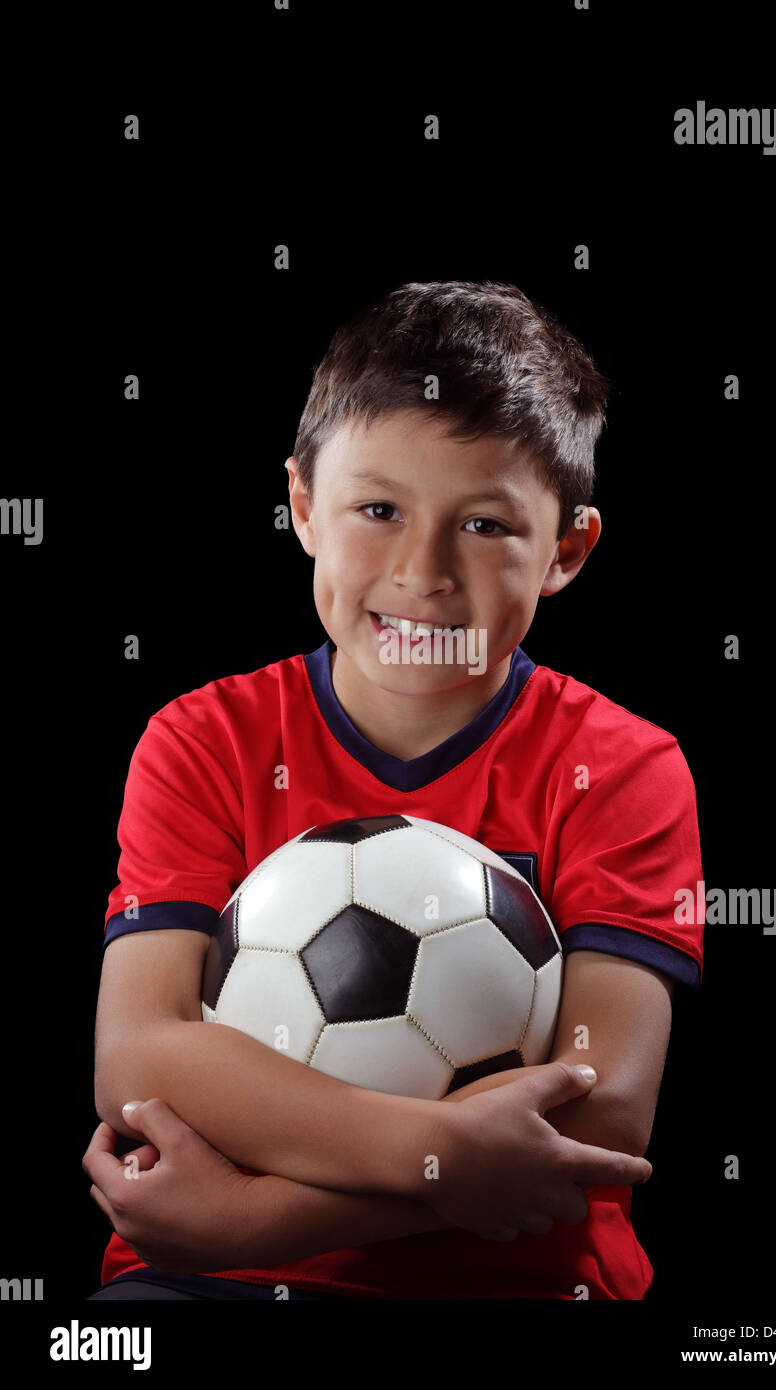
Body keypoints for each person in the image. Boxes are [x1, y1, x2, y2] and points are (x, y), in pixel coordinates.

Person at [83, 280, 703, 1301]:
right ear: (300, 508)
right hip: (207, 1288)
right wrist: (448, 1151)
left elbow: (604, 1113)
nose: (422, 573)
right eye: (377, 509)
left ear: (568, 550)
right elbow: (140, 1052)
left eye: (486, 526)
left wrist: (255, 1215)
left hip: (516, 1281)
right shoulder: (203, 740)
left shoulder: (623, 765)